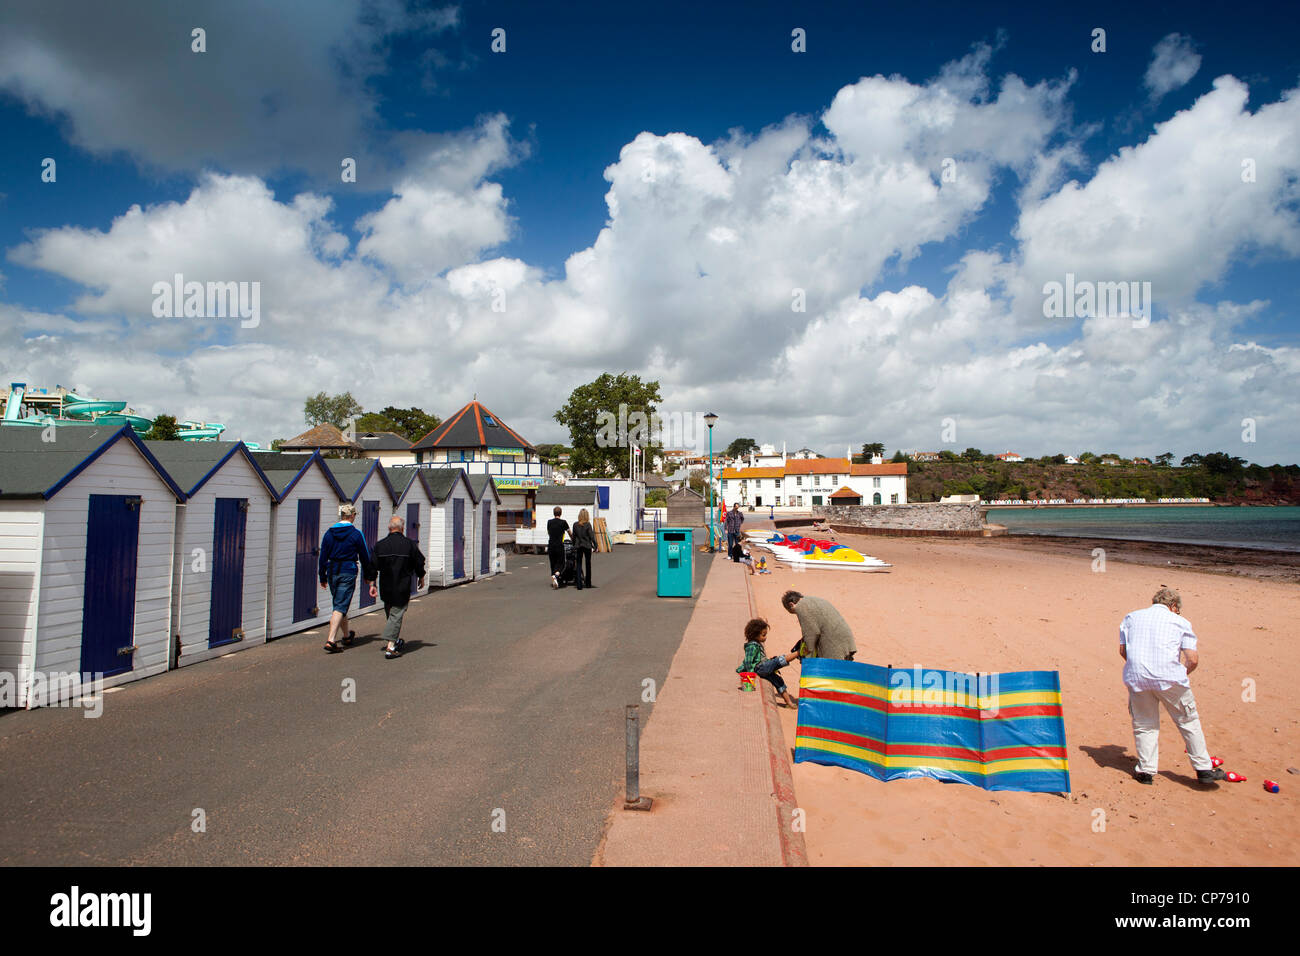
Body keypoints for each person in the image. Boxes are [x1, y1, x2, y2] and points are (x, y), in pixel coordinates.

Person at [1119, 587, 1227, 787]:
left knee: (1144, 724)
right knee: (1188, 720)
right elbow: (1192, 659)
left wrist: (1139, 668)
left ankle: (1145, 770)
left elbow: (1123, 651)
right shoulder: (1180, 622)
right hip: (1170, 679)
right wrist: (1180, 673)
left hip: (1137, 678)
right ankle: (1203, 768)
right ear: (1173, 606)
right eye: (1178, 609)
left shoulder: (1131, 618)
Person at [318, 503, 377, 653]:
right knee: (340, 605)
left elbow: (323, 556)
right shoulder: (356, 534)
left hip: (332, 570)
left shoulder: (329, 533)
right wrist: (368, 576)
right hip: (348, 570)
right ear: (351, 516)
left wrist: (322, 576)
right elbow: (364, 556)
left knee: (340, 603)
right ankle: (331, 640)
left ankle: (346, 636)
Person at [372, 514, 426, 659]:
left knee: (391, 612)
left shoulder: (380, 545)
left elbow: (373, 566)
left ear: (389, 528)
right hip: (402, 584)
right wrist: (421, 576)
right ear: (402, 528)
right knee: (396, 613)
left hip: (385, 585)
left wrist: (372, 583)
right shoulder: (409, 544)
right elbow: (419, 561)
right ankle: (390, 647)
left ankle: (393, 639)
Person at [737, 617, 799, 707]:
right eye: (763, 635)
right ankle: (798, 653)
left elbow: (758, 658)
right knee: (778, 661)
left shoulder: (757, 644)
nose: (765, 637)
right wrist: (751, 675)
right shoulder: (752, 646)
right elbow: (748, 662)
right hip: (760, 668)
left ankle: (788, 702)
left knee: (778, 680)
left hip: (763, 667)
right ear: (755, 635)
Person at [781, 590, 857, 661]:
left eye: (792, 612)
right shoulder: (814, 600)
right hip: (846, 640)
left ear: (791, 604)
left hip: (835, 645)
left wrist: (806, 651)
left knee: (832, 672)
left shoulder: (801, 607)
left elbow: (811, 633)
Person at [570, 508, 597, 589]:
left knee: (578, 564)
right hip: (587, 545)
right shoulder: (588, 525)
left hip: (578, 546)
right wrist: (595, 545)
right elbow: (591, 536)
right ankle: (588, 583)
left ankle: (579, 584)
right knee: (588, 564)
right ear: (587, 516)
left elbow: (574, 536)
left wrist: (574, 544)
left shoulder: (575, 524)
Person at [546, 506, 569, 582]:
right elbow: (569, 532)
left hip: (551, 545)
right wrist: (573, 539)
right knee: (561, 563)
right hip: (559, 546)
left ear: (553, 513)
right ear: (561, 513)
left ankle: (554, 578)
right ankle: (556, 575)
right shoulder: (563, 522)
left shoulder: (549, 522)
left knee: (553, 563)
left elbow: (549, 533)